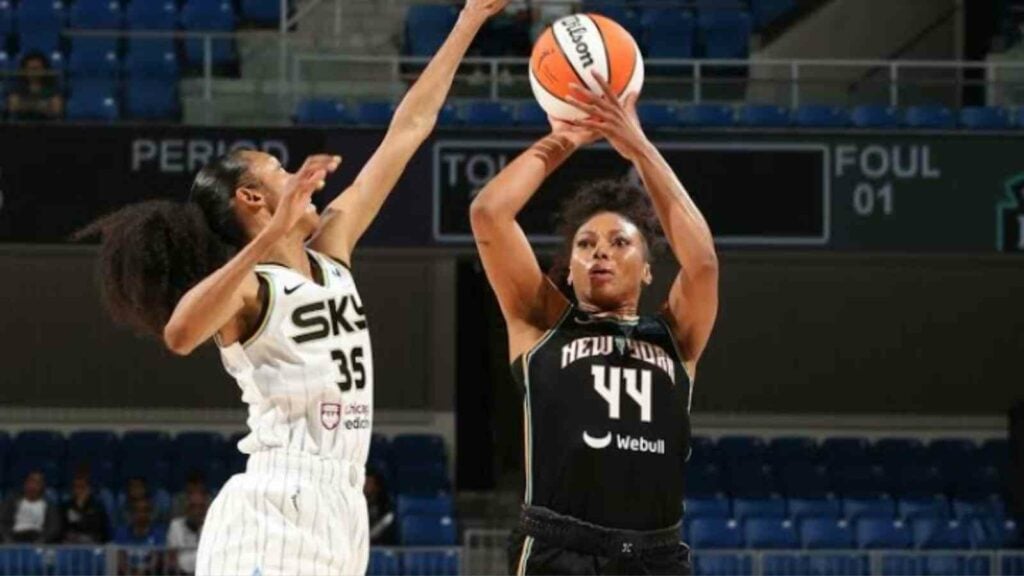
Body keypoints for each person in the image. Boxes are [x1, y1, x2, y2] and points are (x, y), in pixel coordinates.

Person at [77, 1, 508, 574]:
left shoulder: (332, 249)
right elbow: (180, 333)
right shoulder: (250, 288)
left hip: (342, 504)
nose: (299, 178)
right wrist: (269, 239)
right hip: (277, 501)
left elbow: (407, 130)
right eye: (280, 172)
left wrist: (468, 20)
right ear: (252, 200)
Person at [470, 73, 719, 575]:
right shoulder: (542, 324)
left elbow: (704, 264)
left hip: (656, 555)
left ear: (648, 269)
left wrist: (639, 147)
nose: (601, 250)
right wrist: (568, 136)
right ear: (571, 264)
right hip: (559, 550)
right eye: (585, 244)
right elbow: (489, 213)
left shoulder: (675, 337)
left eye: (620, 242)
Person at [0, 470, 61, 543]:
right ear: (25, 483)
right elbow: (2, 522)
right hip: (14, 537)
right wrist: (8, 540)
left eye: (38, 482)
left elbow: (54, 527)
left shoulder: (49, 505)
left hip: (38, 538)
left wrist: (42, 541)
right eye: (31, 481)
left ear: (43, 485)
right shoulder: (11, 501)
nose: (34, 485)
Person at [114, 499, 167, 576]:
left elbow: (155, 560)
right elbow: (120, 559)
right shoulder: (122, 532)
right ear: (132, 514)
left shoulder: (158, 534)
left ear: (150, 514)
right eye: (137, 511)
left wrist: (142, 573)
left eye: (145, 511)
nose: (141, 514)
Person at [7, 52, 64, 121]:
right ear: (24, 70)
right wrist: (42, 106)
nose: (34, 72)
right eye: (31, 69)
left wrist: (25, 106)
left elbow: (56, 108)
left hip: (47, 124)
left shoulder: (52, 87)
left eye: (37, 68)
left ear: (44, 69)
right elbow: (13, 106)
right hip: (22, 123)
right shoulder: (17, 86)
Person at [62, 466, 111, 544]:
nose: (79, 491)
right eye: (76, 487)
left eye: (82, 487)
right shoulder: (66, 506)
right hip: (71, 543)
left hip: (92, 543)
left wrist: (80, 519)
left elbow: (102, 530)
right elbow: (63, 528)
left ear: (89, 488)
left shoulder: (97, 506)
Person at [166, 491, 209, 575]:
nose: (197, 511)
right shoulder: (175, 525)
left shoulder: (212, 527)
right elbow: (171, 557)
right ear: (186, 509)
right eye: (193, 507)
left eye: (201, 507)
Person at [364, 469, 396, 545]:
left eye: (369, 482)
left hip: (379, 544)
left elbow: (387, 521)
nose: (366, 485)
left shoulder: (384, 503)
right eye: (365, 482)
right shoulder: (358, 501)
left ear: (376, 486)